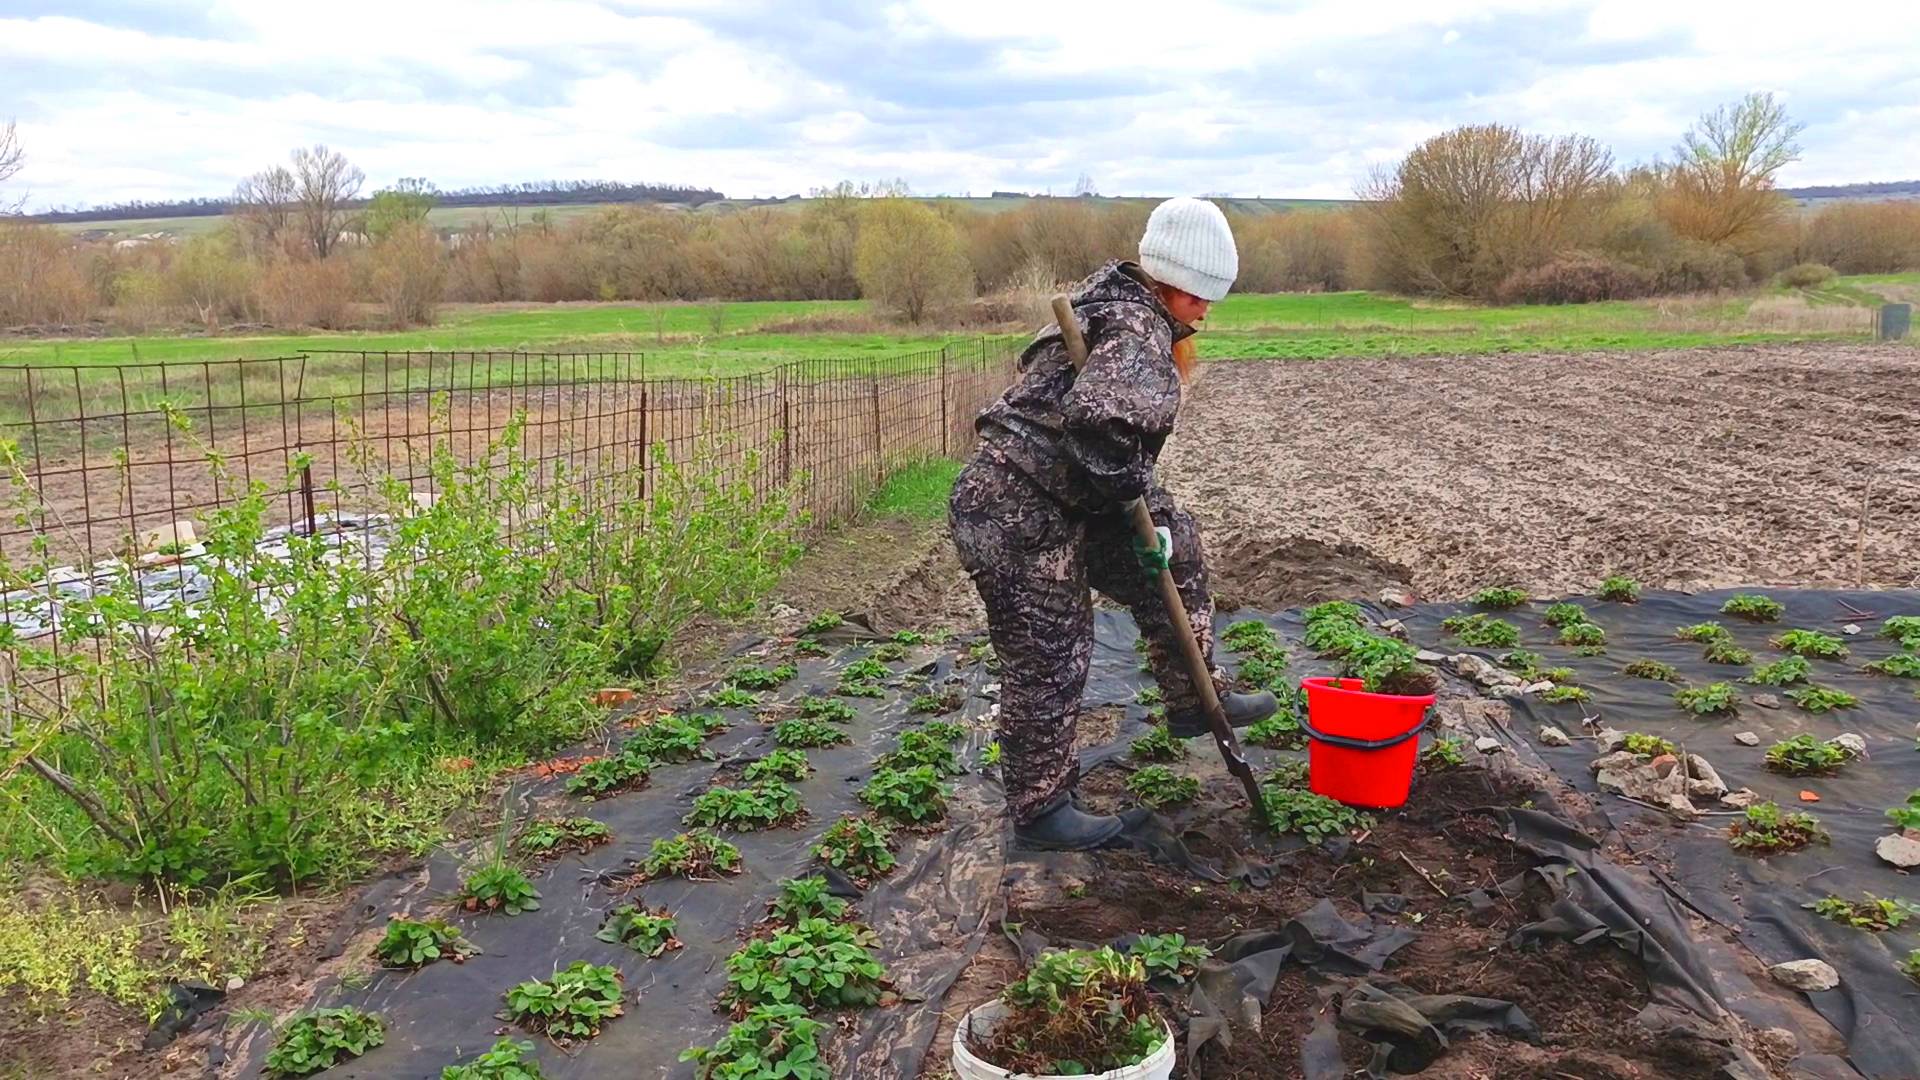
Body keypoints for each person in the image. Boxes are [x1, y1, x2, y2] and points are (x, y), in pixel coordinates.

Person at [949, 197, 1275, 851]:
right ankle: (1041, 809)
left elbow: (1101, 439)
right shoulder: (1134, 332)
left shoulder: (1117, 305)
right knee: (1052, 653)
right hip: (1015, 510)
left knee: (1175, 545)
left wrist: (1150, 518)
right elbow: (1099, 421)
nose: (1208, 310)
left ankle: (1193, 695)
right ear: (1172, 282)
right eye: (1202, 294)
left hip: (1065, 497)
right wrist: (1132, 496)